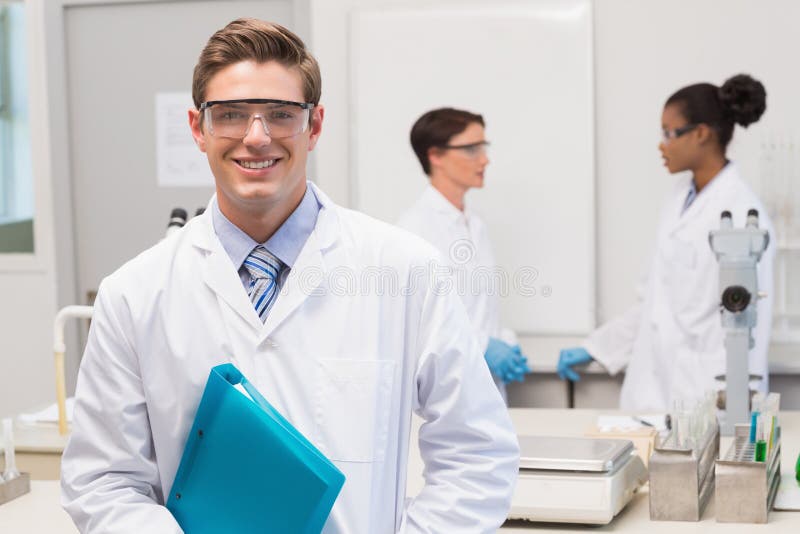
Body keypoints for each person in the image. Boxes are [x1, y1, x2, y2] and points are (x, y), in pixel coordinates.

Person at [60, 19, 519, 533]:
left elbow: (477, 454)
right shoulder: (134, 294)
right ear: (198, 128)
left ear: (314, 126)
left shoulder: (406, 271)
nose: (257, 138)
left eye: (280, 114)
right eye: (230, 115)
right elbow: (103, 481)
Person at [557, 74, 774, 411]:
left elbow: (746, 330)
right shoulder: (679, 199)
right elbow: (655, 302)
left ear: (701, 133)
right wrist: (598, 346)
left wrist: (731, 416)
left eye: (668, 133)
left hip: (703, 404)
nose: (661, 144)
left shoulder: (742, 215)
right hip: (654, 396)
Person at [397, 108, 531, 400]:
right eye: (472, 149)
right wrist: (484, 346)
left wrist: (504, 342)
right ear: (435, 156)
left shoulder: (475, 224)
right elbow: (421, 321)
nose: (484, 159)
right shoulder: (415, 229)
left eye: (484, 147)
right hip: (446, 389)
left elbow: (479, 308)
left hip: (484, 383)